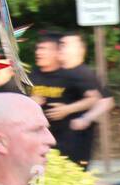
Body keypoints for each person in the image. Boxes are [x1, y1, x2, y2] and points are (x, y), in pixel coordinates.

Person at [29, 31, 104, 167]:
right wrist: (30, 101)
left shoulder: (73, 73)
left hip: (72, 138)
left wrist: (67, 109)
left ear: (57, 52)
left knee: (74, 178)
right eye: (38, 48)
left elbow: (96, 99)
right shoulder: (34, 74)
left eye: (44, 49)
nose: (38, 53)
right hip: (44, 137)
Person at [57, 31, 113, 167]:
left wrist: (86, 118)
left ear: (80, 49)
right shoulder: (56, 72)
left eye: (66, 45)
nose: (61, 47)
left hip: (76, 139)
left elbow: (106, 100)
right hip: (56, 137)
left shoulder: (84, 73)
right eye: (60, 44)